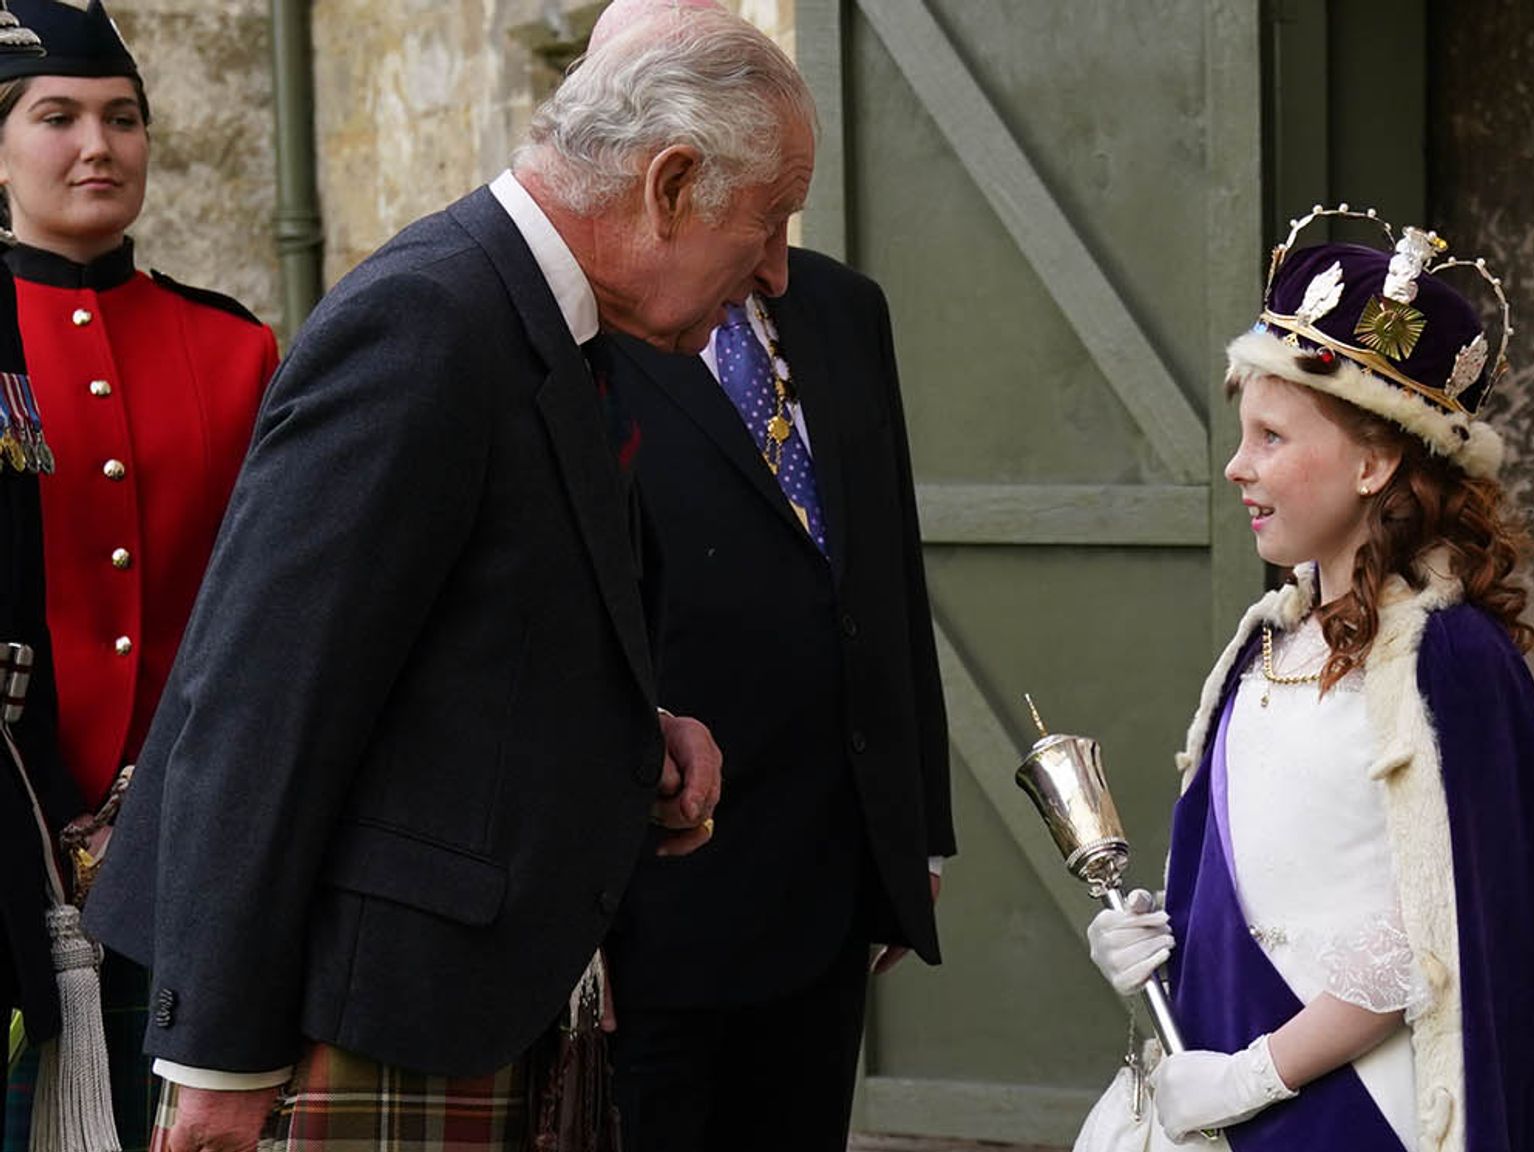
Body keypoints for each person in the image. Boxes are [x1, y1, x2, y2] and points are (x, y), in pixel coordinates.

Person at [78, 8, 814, 1150]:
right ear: (669, 184)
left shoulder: (539, 318)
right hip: (353, 1021)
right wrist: (219, 1047)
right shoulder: (429, 317)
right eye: (765, 223)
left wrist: (638, 737)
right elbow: (265, 695)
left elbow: (471, 647)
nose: (773, 268)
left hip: (448, 1007)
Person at [1077, 209, 1534, 1151]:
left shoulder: (1450, 658)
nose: (1238, 466)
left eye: (1273, 437)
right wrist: (1162, 939)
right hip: (1228, 1094)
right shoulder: (1263, 642)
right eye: (1245, 434)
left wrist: (1251, 1077)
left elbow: (1435, 930)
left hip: (1360, 1114)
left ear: (1375, 460)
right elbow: (1269, 872)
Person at [599, 210, 951, 1152]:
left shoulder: (842, 307)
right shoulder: (578, 323)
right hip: (654, 889)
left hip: (830, 873)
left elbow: (885, 565)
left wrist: (914, 828)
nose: (776, 263)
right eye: (758, 212)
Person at [0, 2, 277, 1147]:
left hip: (180, 848)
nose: (97, 146)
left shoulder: (232, 347)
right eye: (56, 117)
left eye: (123, 118)